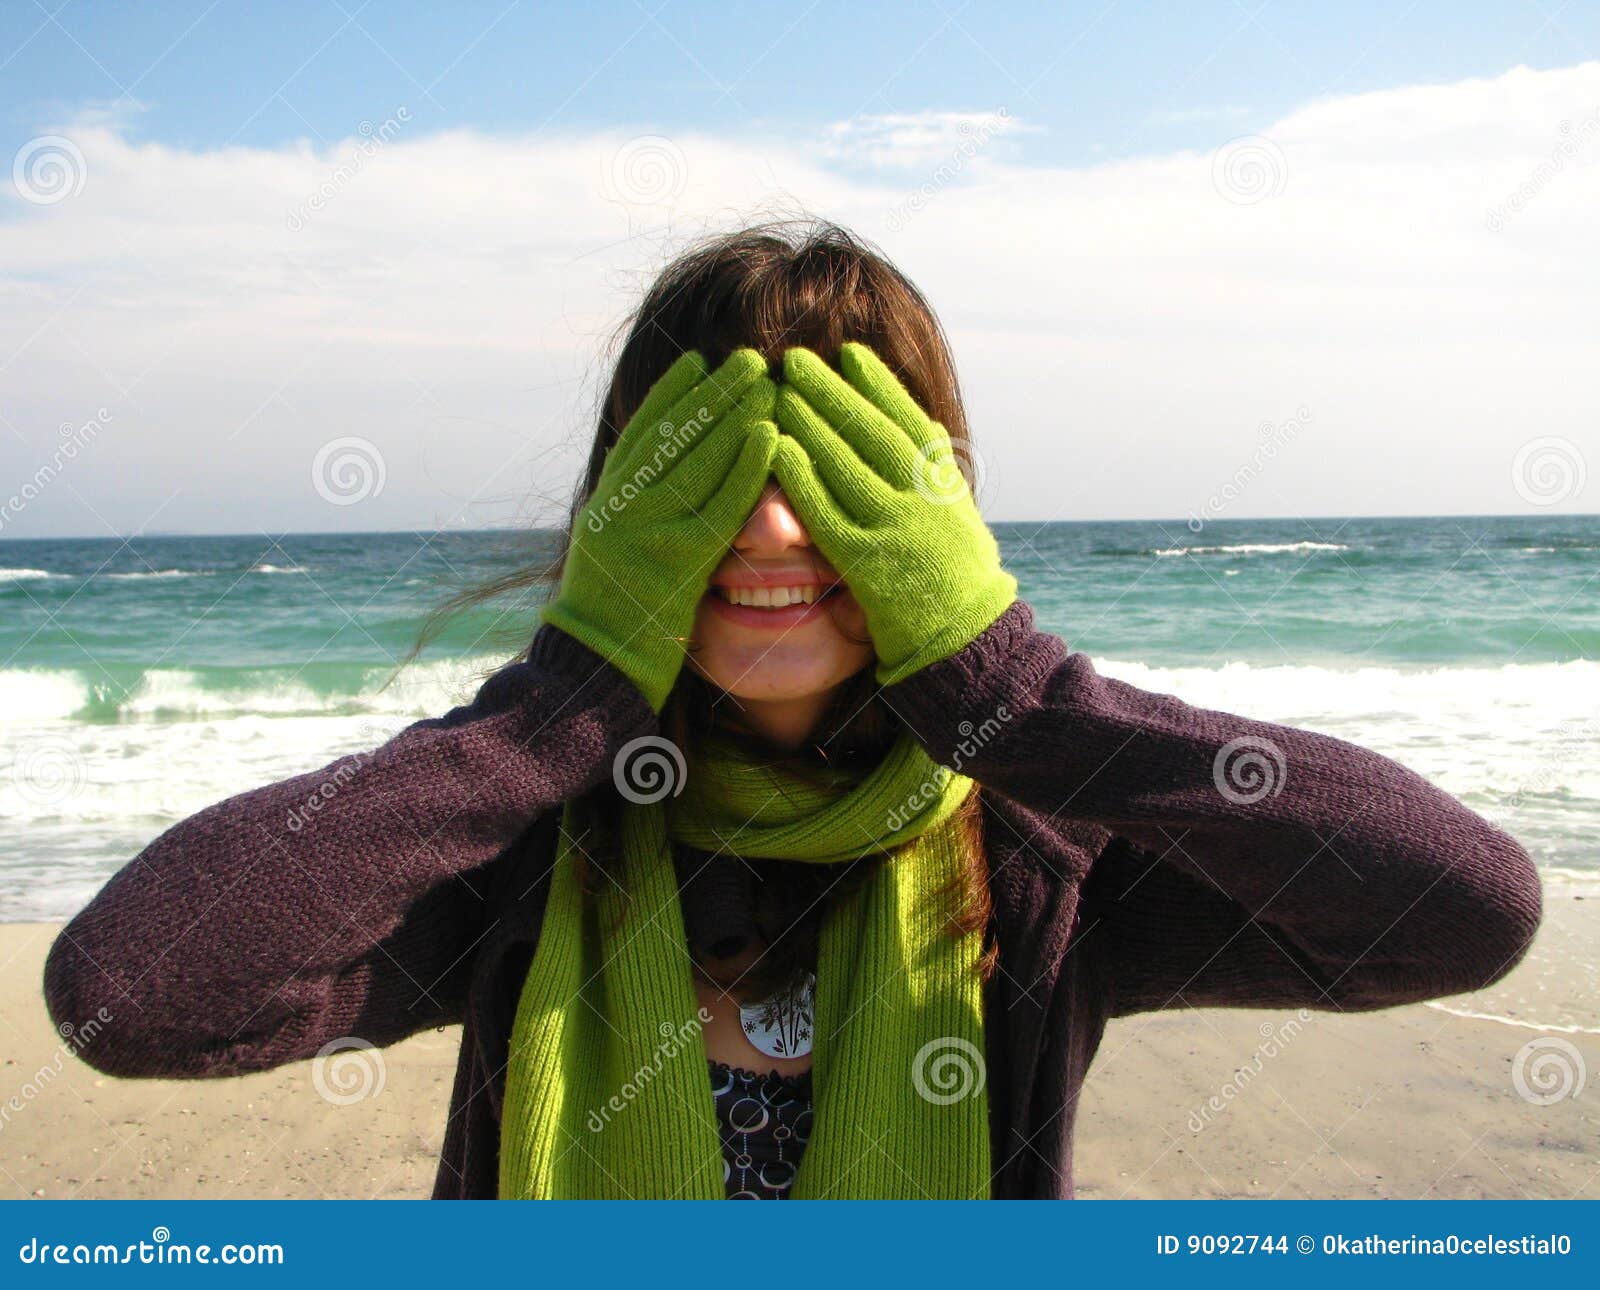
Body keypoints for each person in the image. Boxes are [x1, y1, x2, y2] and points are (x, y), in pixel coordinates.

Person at [43, 222, 1544, 1200]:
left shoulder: (1038, 857)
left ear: (933, 504)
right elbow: (131, 991)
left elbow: (1461, 910)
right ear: (626, 503)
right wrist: (558, 707)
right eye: (710, 468)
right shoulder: (531, 846)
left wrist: (1011, 693)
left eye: (834, 462)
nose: (768, 526)